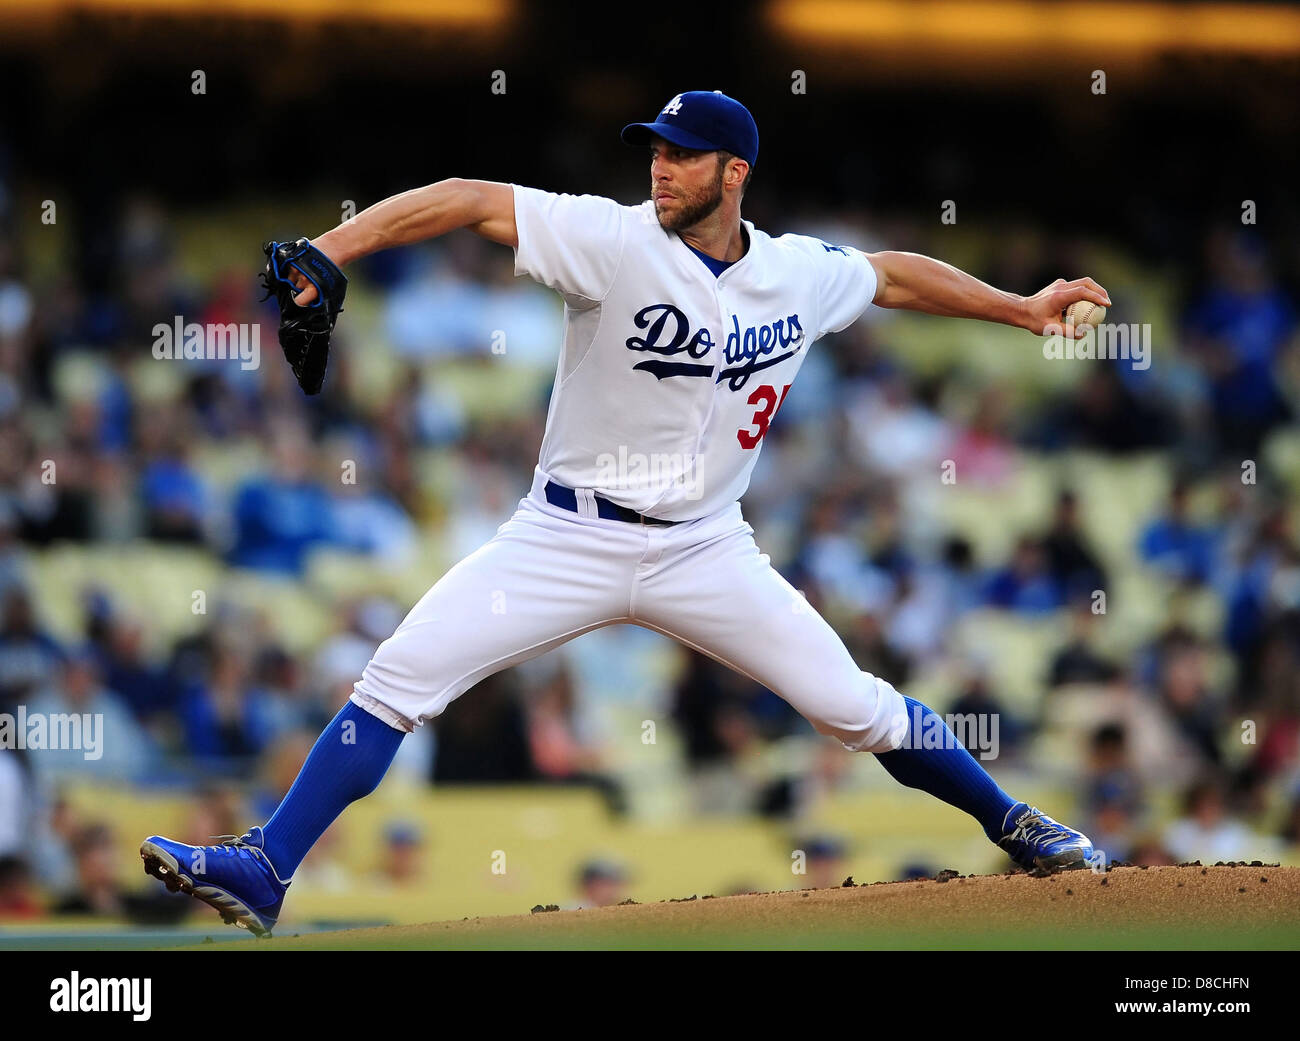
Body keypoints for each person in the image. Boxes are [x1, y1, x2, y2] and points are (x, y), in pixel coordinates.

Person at [141, 90, 1108, 935]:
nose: (660, 166)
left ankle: (1016, 824)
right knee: (399, 676)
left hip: (706, 547)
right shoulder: (609, 240)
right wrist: (331, 246)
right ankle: (267, 866)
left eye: (681, 154)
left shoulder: (797, 273)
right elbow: (471, 200)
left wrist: (1021, 310)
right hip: (566, 532)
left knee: (851, 704)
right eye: (654, 147)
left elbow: (891, 272)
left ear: (736, 173)